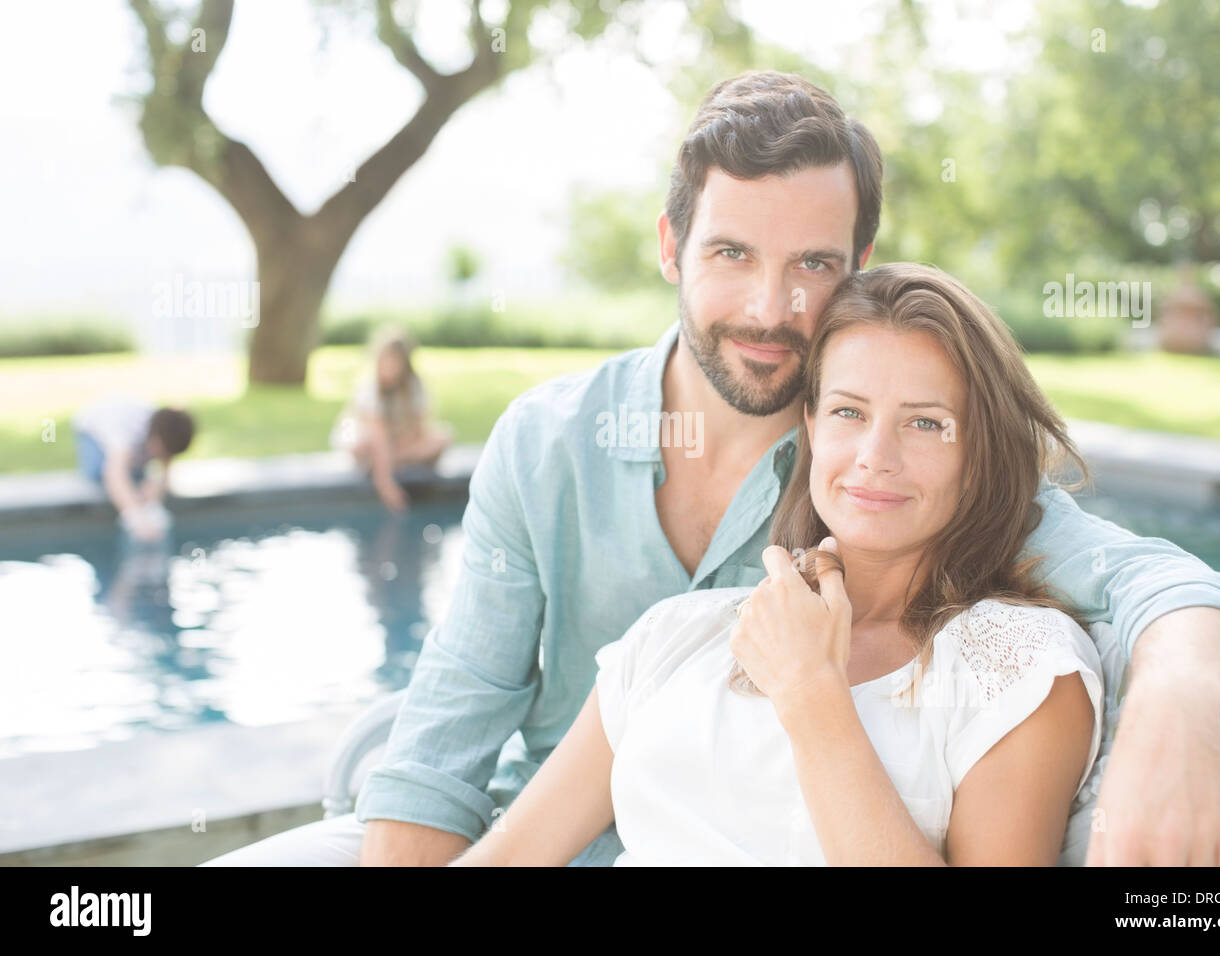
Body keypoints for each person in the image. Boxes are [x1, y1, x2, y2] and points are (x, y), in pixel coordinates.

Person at [201, 70, 1220, 869]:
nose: (770, 308)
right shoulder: (548, 446)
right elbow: (443, 737)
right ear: (670, 248)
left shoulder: (884, 469)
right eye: (731, 256)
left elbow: (1153, 585)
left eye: (813, 264)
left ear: (855, 271)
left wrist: (1176, 704)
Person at [451, 263, 1106, 864]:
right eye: (850, 412)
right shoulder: (680, 634)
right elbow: (508, 858)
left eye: (926, 423)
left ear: (981, 451)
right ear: (812, 427)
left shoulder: (1019, 667)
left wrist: (813, 698)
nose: (876, 455)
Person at [330, 326, 454, 513]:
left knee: (442, 438)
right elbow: (377, 434)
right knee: (361, 445)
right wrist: (386, 484)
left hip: (399, 442)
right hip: (371, 439)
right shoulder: (370, 388)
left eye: (395, 362)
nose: (390, 367)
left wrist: (395, 450)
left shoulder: (414, 387)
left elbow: (419, 428)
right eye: (386, 361)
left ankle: (384, 461)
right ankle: (384, 462)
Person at [73, 394, 195, 543]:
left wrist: (155, 493)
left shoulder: (167, 431)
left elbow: (166, 468)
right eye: (162, 452)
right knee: (98, 473)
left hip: (134, 440)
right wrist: (135, 516)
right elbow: (113, 474)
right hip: (92, 428)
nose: (163, 457)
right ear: (155, 439)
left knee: (137, 476)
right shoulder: (127, 434)